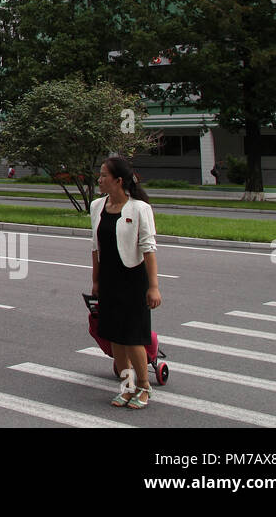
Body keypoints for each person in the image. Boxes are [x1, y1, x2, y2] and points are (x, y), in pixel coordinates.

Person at [91, 154, 161, 409]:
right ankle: (127, 386)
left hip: (133, 279)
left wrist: (153, 287)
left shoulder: (140, 208)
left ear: (118, 180)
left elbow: (149, 249)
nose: (99, 180)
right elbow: (95, 247)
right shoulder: (97, 206)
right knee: (114, 337)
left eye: (103, 176)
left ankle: (144, 386)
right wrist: (96, 281)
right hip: (109, 279)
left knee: (132, 336)